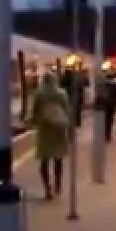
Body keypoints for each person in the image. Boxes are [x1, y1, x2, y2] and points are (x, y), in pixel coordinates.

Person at [30, 71, 70, 200]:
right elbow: (66, 111)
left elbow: (34, 113)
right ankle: (58, 185)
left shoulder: (38, 94)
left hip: (44, 130)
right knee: (58, 160)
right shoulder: (62, 93)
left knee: (44, 161)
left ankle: (47, 188)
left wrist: (33, 121)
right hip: (58, 130)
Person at [102, 71, 116, 142]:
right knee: (110, 120)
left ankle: (105, 134)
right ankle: (108, 135)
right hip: (111, 104)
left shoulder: (103, 84)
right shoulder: (115, 85)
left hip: (104, 104)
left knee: (105, 120)